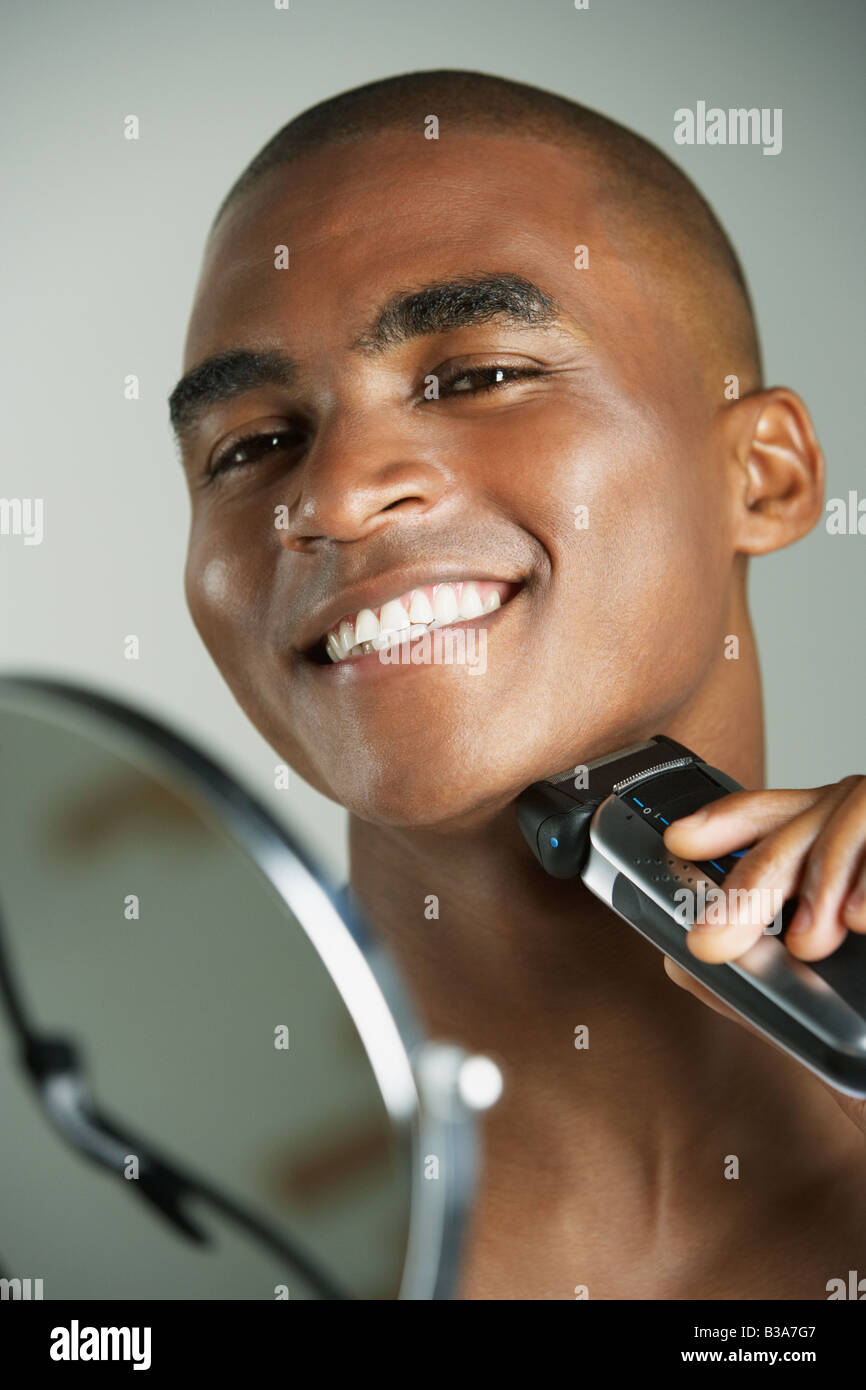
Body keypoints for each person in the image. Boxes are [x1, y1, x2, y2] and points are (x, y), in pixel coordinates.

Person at [168, 69, 866, 1299]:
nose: (326, 499)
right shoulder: (109, 1234)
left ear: (761, 478)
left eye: (478, 375)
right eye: (253, 445)